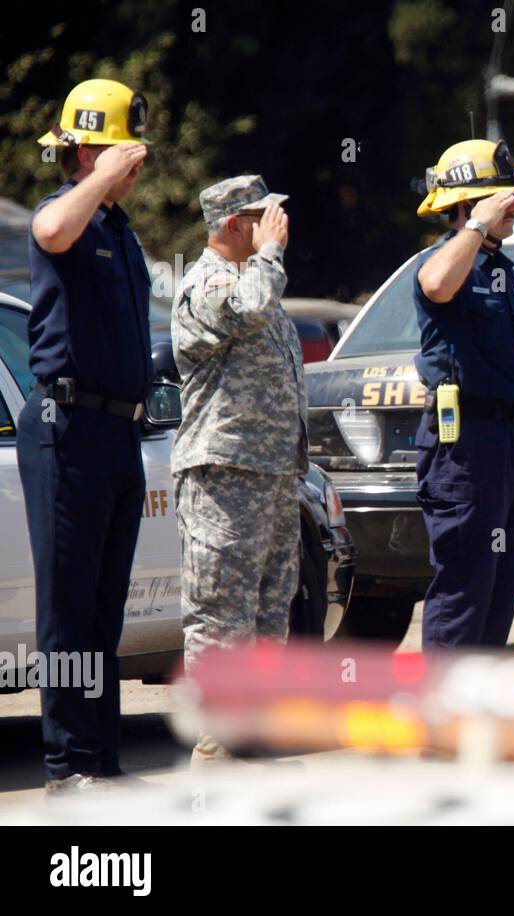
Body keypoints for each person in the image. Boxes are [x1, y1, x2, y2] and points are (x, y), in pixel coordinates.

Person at [20, 79, 151, 795]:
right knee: (68, 607)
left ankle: (99, 758)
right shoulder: (64, 215)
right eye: (126, 153)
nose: (137, 168)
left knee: (105, 607)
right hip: (66, 427)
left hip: (117, 431)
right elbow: (48, 233)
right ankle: (68, 767)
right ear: (92, 150)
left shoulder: (120, 231)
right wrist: (97, 174)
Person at [170, 176, 300, 764]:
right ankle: (215, 749)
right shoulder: (207, 282)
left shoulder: (256, 279)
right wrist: (270, 254)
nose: (275, 225)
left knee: (272, 609)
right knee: (222, 616)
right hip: (223, 477)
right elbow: (246, 309)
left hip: (272, 475)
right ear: (231, 225)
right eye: (262, 217)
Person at [411, 139, 514, 647]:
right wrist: (478, 226)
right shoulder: (447, 259)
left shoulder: (498, 267)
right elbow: (437, 283)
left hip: (505, 440)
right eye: (501, 195)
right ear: (469, 203)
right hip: (464, 446)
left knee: (500, 590)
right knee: (464, 588)